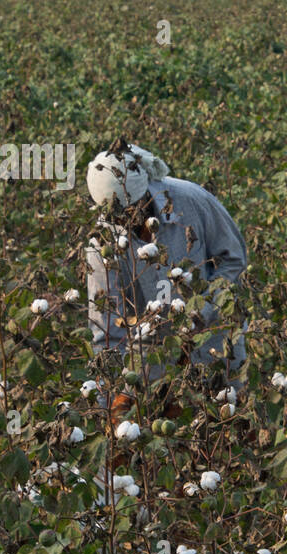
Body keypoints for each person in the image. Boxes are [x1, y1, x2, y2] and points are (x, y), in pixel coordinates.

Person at [84, 140, 248, 386]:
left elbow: (233, 260)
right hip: (152, 356)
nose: (130, 223)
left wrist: (200, 314)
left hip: (217, 342)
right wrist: (110, 396)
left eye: (134, 211)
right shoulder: (102, 245)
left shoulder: (191, 201)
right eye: (120, 218)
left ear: (146, 192)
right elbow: (107, 330)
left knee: (228, 416)